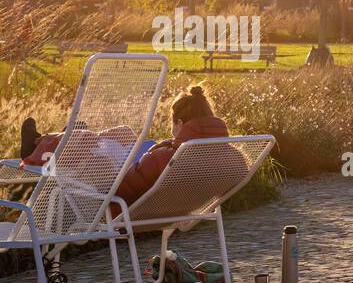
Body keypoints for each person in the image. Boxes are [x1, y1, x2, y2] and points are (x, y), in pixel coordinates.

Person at [21, 85, 230, 206]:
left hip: (120, 195)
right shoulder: (220, 155)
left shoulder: (171, 156)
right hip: (157, 194)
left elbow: (129, 185)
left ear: (181, 123)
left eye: (173, 125)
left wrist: (112, 156)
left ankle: (36, 147)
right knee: (123, 133)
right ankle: (67, 135)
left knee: (88, 146)